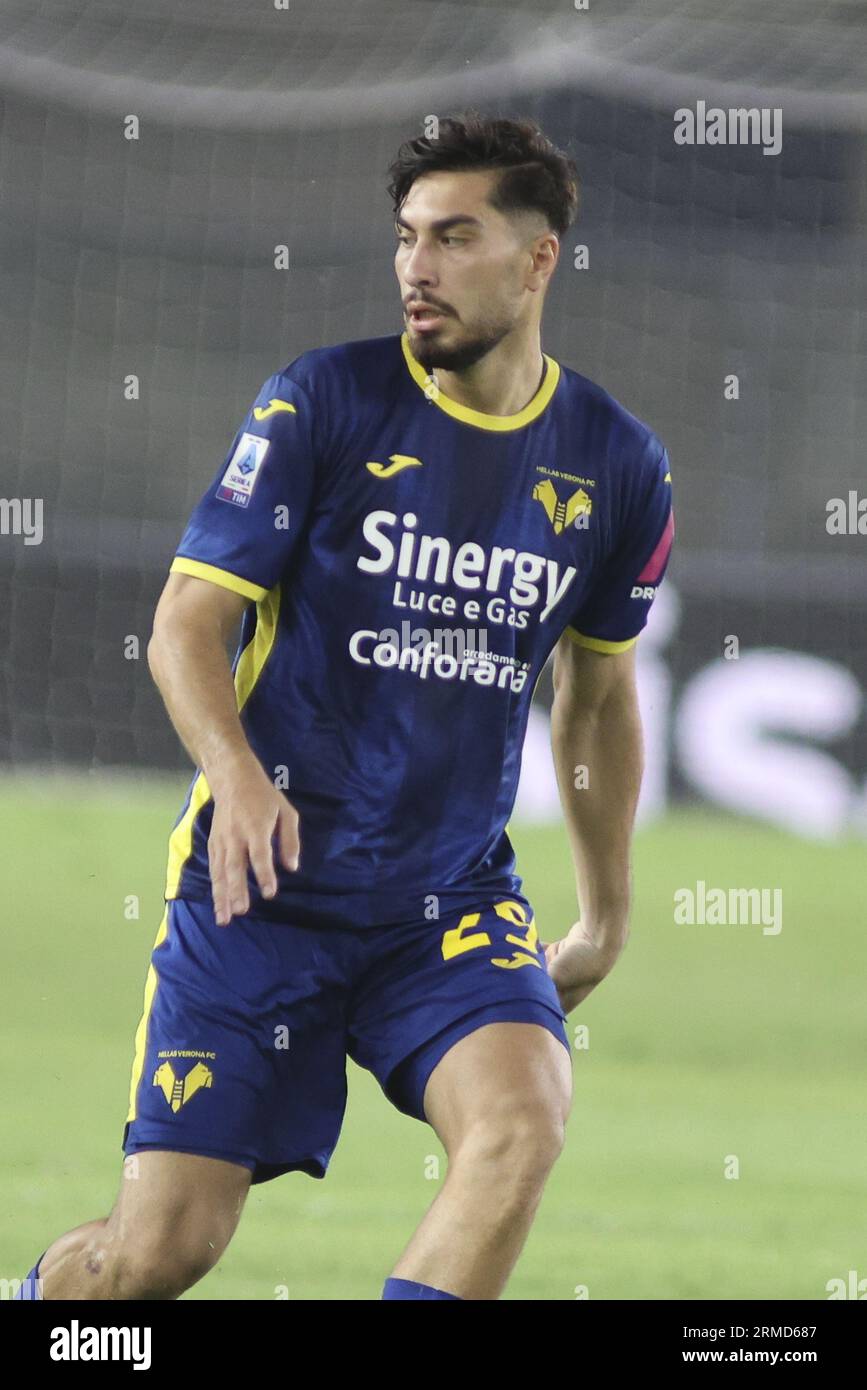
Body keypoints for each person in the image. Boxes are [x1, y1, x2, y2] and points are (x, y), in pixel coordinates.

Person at [15, 111, 673, 1301]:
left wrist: (606, 915)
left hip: (450, 898)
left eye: (454, 236)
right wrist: (240, 778)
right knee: (156, 1257)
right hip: (259, 892)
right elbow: (184, 624)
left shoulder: (618, 464)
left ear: (539, 259)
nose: (417, 266)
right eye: (407, 237)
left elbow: (598, 698)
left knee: (520, 1126)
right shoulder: (323, 401)